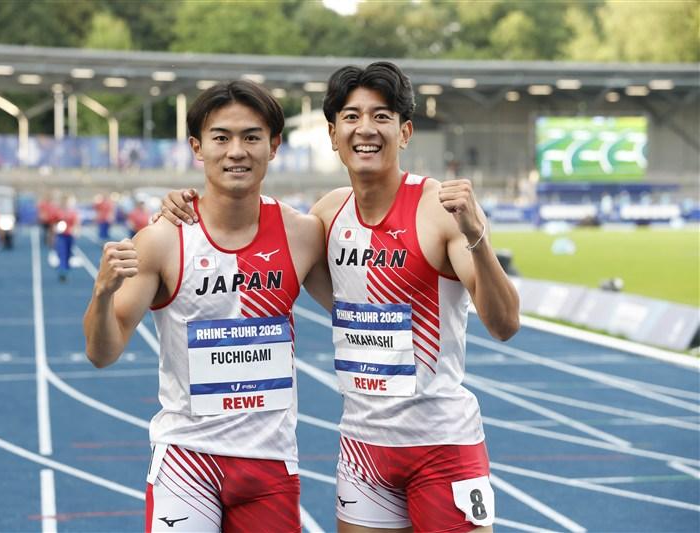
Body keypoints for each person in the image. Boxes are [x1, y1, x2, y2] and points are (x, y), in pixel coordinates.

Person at [159, 62, 520, 533]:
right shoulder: (327, 218)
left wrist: (476, 237)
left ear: (405, 131)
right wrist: (179, 206)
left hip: (441, 443)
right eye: (351, 117)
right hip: (362, 447)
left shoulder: (439, 209)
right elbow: (254, 243)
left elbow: (505, 322)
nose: (365, 129)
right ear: (332, 134)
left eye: (382, 116)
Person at [83, 80, 329, 532]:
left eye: (251, 137)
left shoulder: (303, 234)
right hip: (186, 461)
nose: (237, 150)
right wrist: (101, 295)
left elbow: (366, 297)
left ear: (274, 146)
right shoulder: (162, 240)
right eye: (221, 137)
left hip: (270, 464)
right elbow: (103, 352)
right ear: (198, 147)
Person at [54, 194, 80, 282]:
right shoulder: (58, 212)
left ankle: (66, 269)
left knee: (68, 253)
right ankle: (63, 271)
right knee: (62, 253)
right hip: (61, 235)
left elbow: (76, 222)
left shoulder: (72, 212)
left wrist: (76, 231)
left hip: (70, 235)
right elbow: (54, 222)